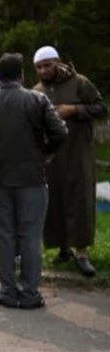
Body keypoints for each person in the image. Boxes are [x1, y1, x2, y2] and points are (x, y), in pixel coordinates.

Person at [0, 53, 68, 308]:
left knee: (4, 237)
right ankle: (31, 293)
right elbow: (60, 131)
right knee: (30, 236)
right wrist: (46, 151)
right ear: (21, 75)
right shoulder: (37, 99)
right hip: (32, 178)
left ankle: (8, 291)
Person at [33, 45, 108, 276]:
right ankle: (62, 249)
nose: (44, 70)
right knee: (54, 200)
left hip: (78, 152)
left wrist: (73, 110)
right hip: (52, 156)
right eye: (39, 67)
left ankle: (82, 253)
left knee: (79, 198)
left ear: (58, 62)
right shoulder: (37, 91)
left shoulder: (80, 83)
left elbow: (101, 108)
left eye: (48, 65)